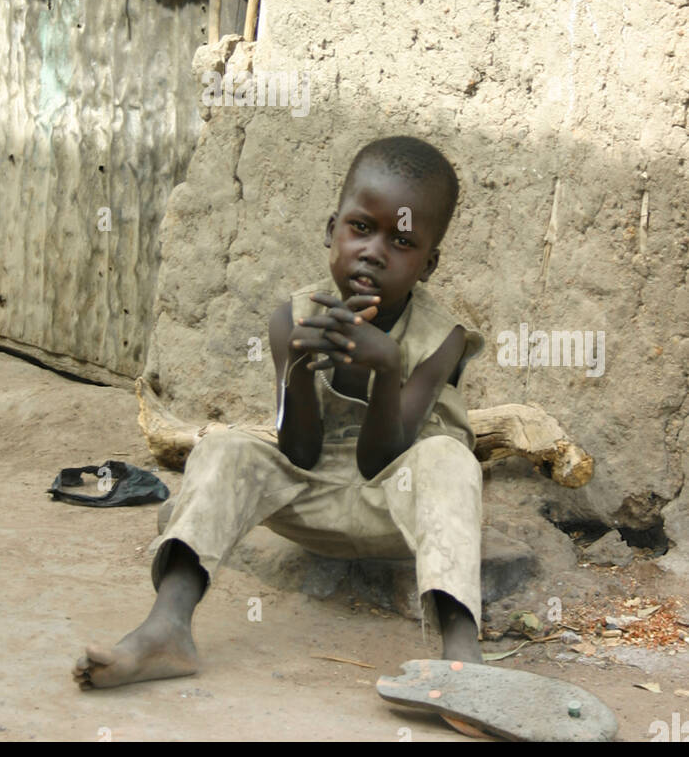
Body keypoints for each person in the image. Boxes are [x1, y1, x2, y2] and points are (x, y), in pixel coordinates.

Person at [74, 135, 484, 692]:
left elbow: (381, 462)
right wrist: (295, 366)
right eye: (361, 227)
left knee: (451, 460)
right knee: (223, 447)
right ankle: (167, 628)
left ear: (429, 264)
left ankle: (462, 661)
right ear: (331, 230)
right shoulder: (293, 317)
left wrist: (388, 371)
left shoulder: (444, 339)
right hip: (308, 499)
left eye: (402, 241)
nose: (374, 251)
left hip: (393, 512)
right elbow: (298, 453)